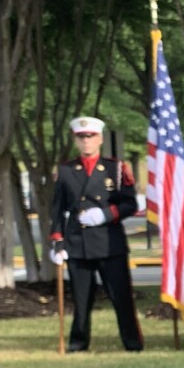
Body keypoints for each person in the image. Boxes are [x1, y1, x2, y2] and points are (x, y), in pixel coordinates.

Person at [49, 116, 142, 352]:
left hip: (109, 242)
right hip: (78, 242)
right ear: (75, 140)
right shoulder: (66, 170)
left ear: (100, 139)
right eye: (81, 137)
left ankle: (132, 343)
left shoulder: (115, 169)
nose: (86, 141)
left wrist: (105, 214)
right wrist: (57, 241)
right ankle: (78, 343)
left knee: (121, 297)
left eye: (90, 137)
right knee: (81, 299)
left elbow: (130, 204)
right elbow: (57, 209)